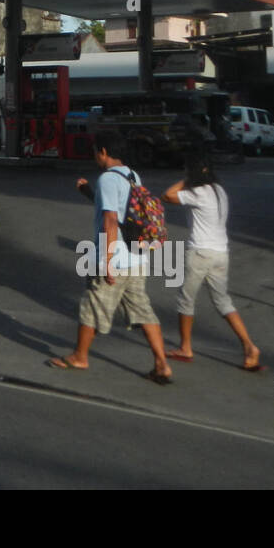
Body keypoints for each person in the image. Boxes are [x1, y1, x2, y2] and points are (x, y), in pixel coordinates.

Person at [49, 129, 174, 385]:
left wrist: (105, 261)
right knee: (143, 311)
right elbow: (122, 211)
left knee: (92, 306)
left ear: (103, 152)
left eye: (95, 150)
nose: (94, 155)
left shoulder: (107, 178)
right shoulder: (132, 175)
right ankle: (162, 363)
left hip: (115, 259)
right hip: (137, 258)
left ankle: (79, 357)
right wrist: (88, 193)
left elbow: (110, 220)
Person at [162, 154, 263, 371]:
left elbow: (167, 195)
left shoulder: (197, 191)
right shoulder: (219, 190)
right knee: (223, 302)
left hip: (200, 253)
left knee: (185, 301)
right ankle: (249, 345)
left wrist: (188, 179)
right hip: (221, 253)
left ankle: (185, 347)